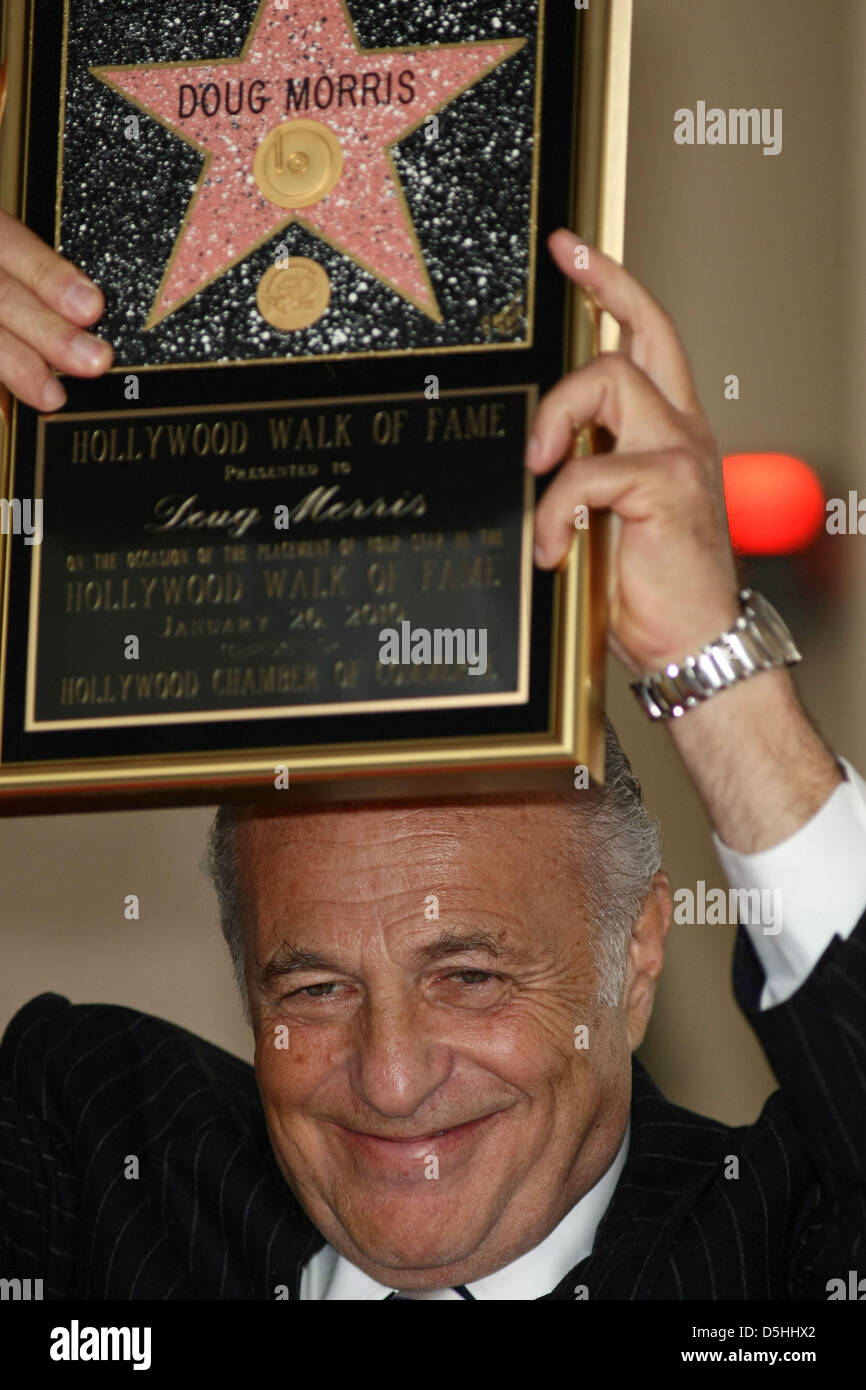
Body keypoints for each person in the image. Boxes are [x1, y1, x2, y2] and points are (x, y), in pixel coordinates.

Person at [1, 215, 864, 1299]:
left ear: (637, 950)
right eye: (313, 989)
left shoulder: (788, 1243)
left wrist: (705, 661)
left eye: (467, 976)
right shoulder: (92, 1160)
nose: (391, 1079)